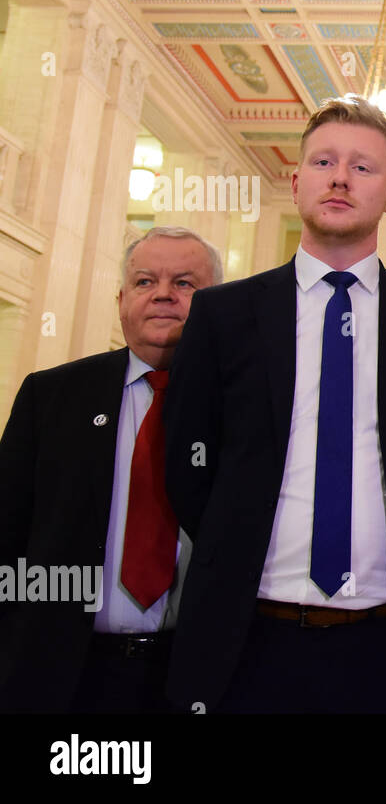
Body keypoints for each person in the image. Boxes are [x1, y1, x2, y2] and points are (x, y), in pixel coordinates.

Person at [162, 95, 386, 713]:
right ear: (297, 181)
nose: (339, 177)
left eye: (363, 166)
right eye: (324, 161)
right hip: (247, 641)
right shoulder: (224, 315)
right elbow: (189, 463)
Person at [0, 226, 221, 712]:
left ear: (217, 303)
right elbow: (7, 535)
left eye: (185, 283)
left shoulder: (241, 405)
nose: (163, 294)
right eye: (145, 282)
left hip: (192, 677)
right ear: (121, 299)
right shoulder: (50, 397)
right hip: (62, 677)